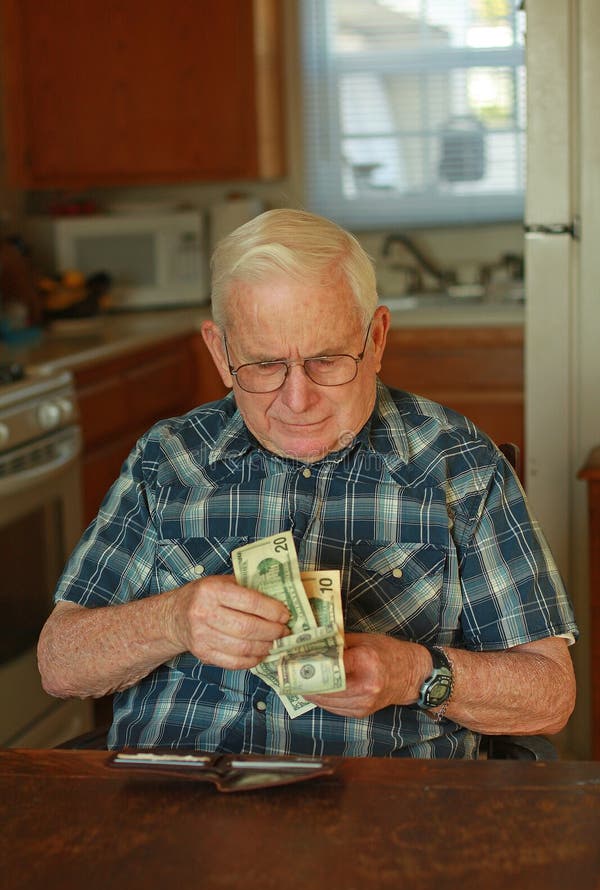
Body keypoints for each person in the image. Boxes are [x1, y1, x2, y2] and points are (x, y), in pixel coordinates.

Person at [38, 208, 578, 758]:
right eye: (264, 365)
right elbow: (59, 663)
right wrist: (171, 620)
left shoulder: (458, 463)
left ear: (377, 339)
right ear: (221, 354)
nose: (297, 401)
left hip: (378, 800)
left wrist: (414, 674)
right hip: (178, 791)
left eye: (326, 360)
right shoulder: (168, 457)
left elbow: (551, 695)